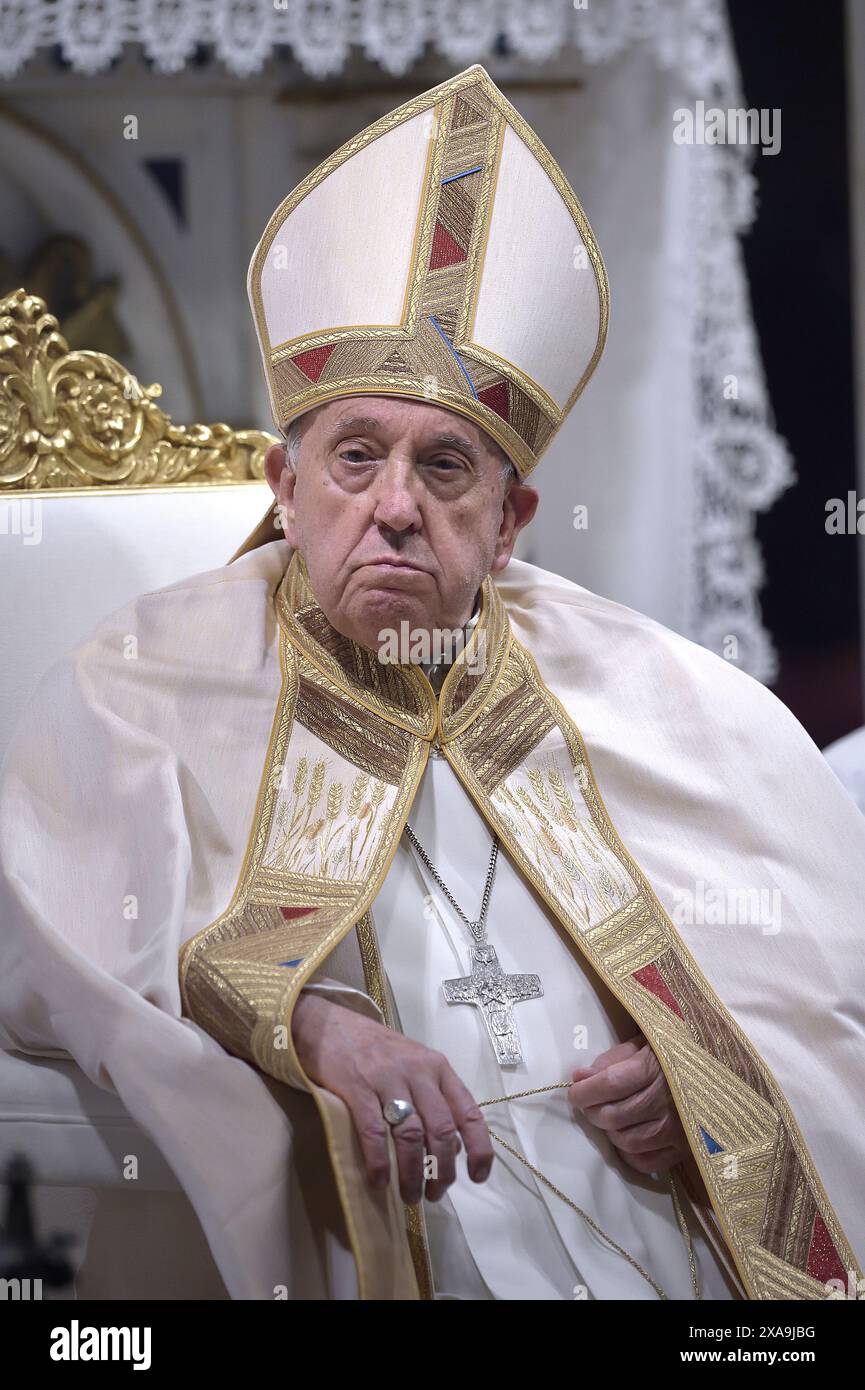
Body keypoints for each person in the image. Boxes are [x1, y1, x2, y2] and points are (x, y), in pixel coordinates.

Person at [1, 64, 863, 1302]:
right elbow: (51, 941)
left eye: (444, 467)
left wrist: (704, 1083)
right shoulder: (135, 689)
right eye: (354, 457)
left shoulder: (673, 703)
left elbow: (823, 999)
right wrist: (305, 1024)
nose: (395, 506)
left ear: (508, 522)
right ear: (281, 487)